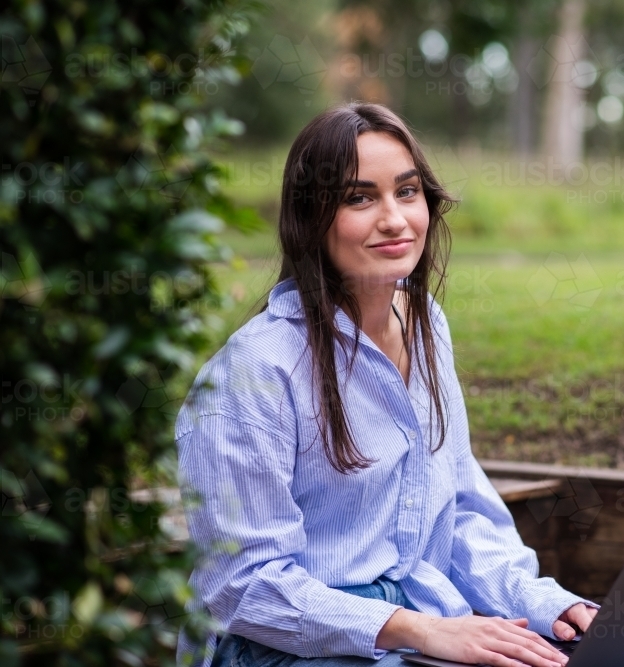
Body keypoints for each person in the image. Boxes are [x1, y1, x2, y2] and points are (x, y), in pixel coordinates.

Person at [175, 103, 598, 667]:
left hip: (417, 623)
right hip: (282, 645)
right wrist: (416, 630)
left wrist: (544, 605)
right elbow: (241, 586)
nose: (395, 218)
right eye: (359, 198)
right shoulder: (254, 371)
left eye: (407, 191)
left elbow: (460, 512)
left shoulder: (426, 326)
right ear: (310, 217)